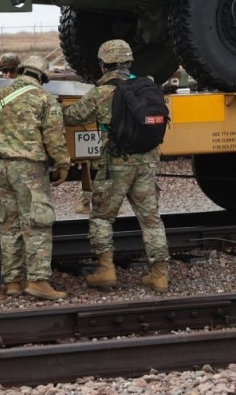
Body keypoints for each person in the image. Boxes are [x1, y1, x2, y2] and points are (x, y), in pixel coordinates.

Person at [62, 39, 170, 294]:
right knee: (152, 221)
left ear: (103, 66)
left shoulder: (100, 93)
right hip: (146, 162)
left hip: (116, 165)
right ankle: (159, 276)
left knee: (102, 217)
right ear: (129, 62)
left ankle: (106, 270)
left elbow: (71, 117)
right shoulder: (146, 86)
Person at [0, 55, 71, 300]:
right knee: (37, 221)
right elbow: (54, 138)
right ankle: (37, 281)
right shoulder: (45, 100)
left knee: (9, 224)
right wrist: (62, 163)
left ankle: (13, 281)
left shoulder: (2, 94)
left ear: (22, 71)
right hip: (28, 167)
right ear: (42, 77)